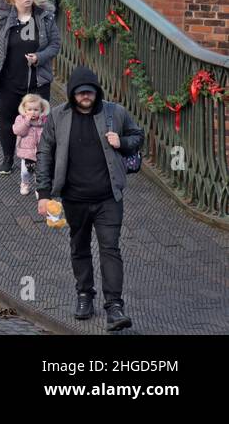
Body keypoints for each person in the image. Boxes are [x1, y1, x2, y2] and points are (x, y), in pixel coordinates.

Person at [36, 65, 144, 331]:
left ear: (96, 91)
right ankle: (84, 295)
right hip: (74, 199)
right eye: (80, 92)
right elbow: (44, 153)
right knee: (79, 247)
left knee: (110, 249)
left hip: (109, 197)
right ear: (72, 93)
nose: (86, 96)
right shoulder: (58, 117)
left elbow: (138, 136)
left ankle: (114, 306)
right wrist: (44, 194)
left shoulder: (114, 113)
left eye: (90, 91)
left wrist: (122, 142)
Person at [0, 0, 61, 175]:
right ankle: (8, 158)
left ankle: (39, 160)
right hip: (8, 80)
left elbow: (55, 44)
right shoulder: (0, 17)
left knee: (40, 121)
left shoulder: (45, 17)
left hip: (37, 80)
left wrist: (39, 57)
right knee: (7, 119)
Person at [12, 93, 49, 196]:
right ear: (24, 109)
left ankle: (39, 188)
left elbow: (49, 133)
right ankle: (25, 183)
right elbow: (18, 131)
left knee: (40, 172)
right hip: (26, 152)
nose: (33, 112)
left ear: (41, 109)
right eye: (30, 109)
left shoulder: (44, 121)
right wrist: (27, 122)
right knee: (25, 171)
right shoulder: (21, 119)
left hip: (40, 152)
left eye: (36, 110)